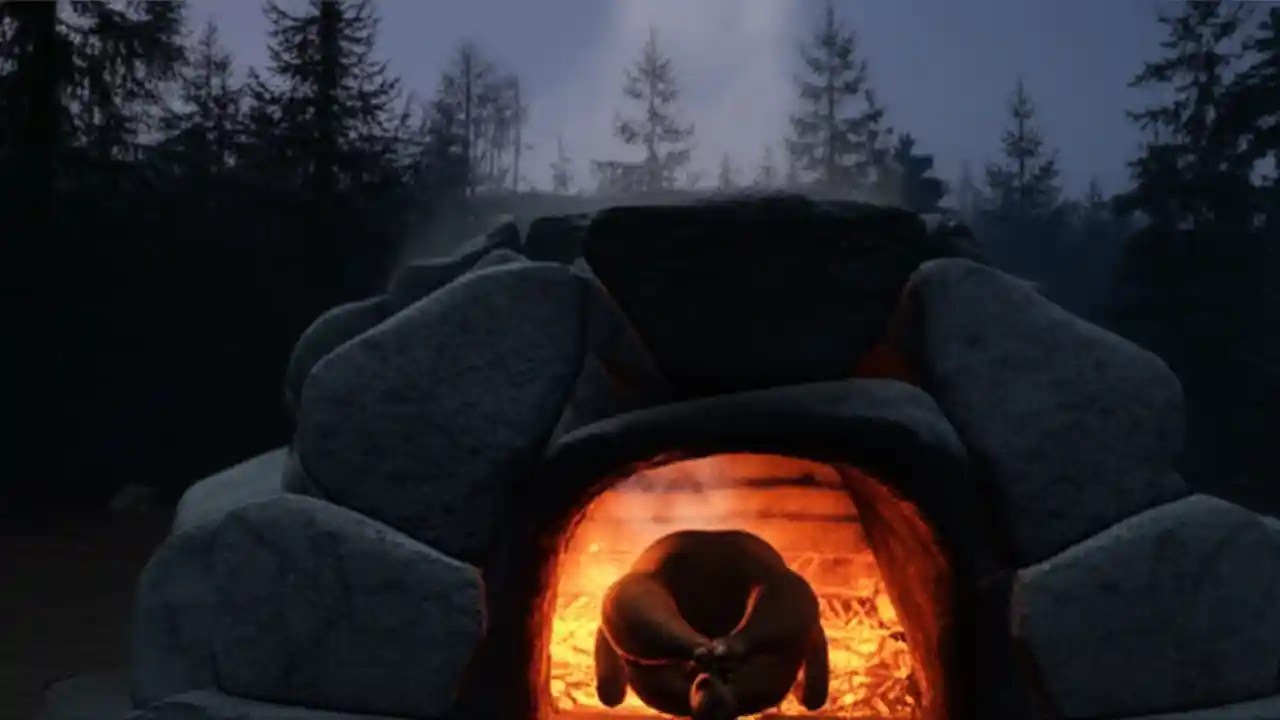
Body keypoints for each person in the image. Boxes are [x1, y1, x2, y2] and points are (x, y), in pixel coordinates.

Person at [594, 529, 829, 720]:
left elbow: (617, 625)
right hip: (747, 567)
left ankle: (694, 644)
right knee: (790, 605)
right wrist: (742, 644)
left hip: (671, 568)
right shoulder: (762, 690)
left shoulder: (664, 694)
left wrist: (692, 647)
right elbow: (804, 626)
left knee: (630, 604)